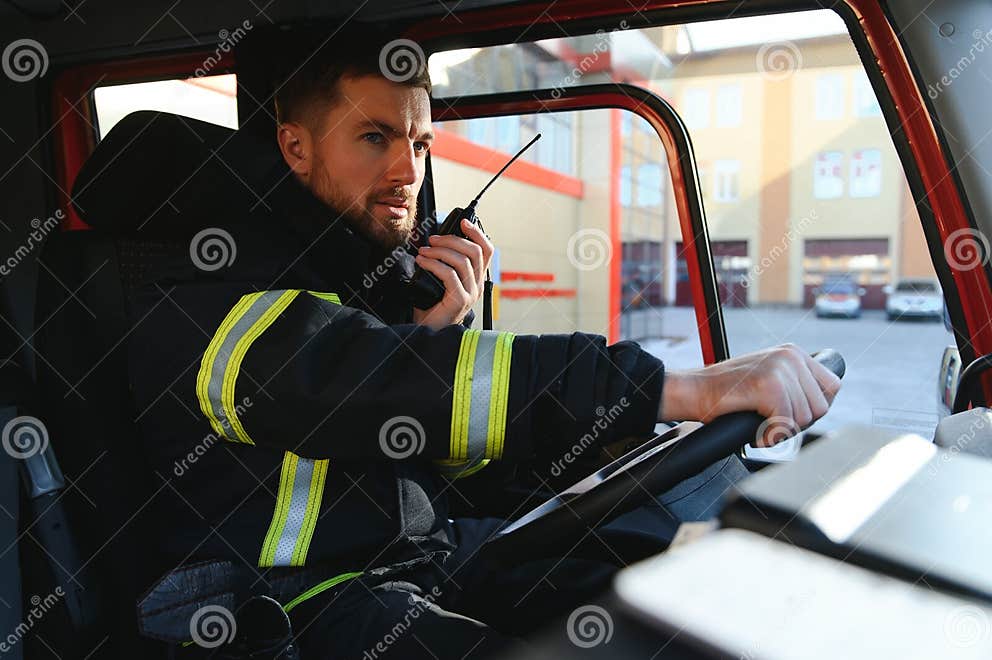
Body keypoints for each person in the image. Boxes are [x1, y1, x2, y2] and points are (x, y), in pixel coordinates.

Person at [124, 25, 841, 658]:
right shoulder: (210, 284)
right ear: (296, 147)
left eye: (419, 143)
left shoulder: (358, 285)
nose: (408, 171)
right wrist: (680, 388)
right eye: (375, 137)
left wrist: (590, 437)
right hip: (293, 605)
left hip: (424, 566)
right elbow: (352, 383)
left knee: (663, 588)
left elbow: (427, 452)